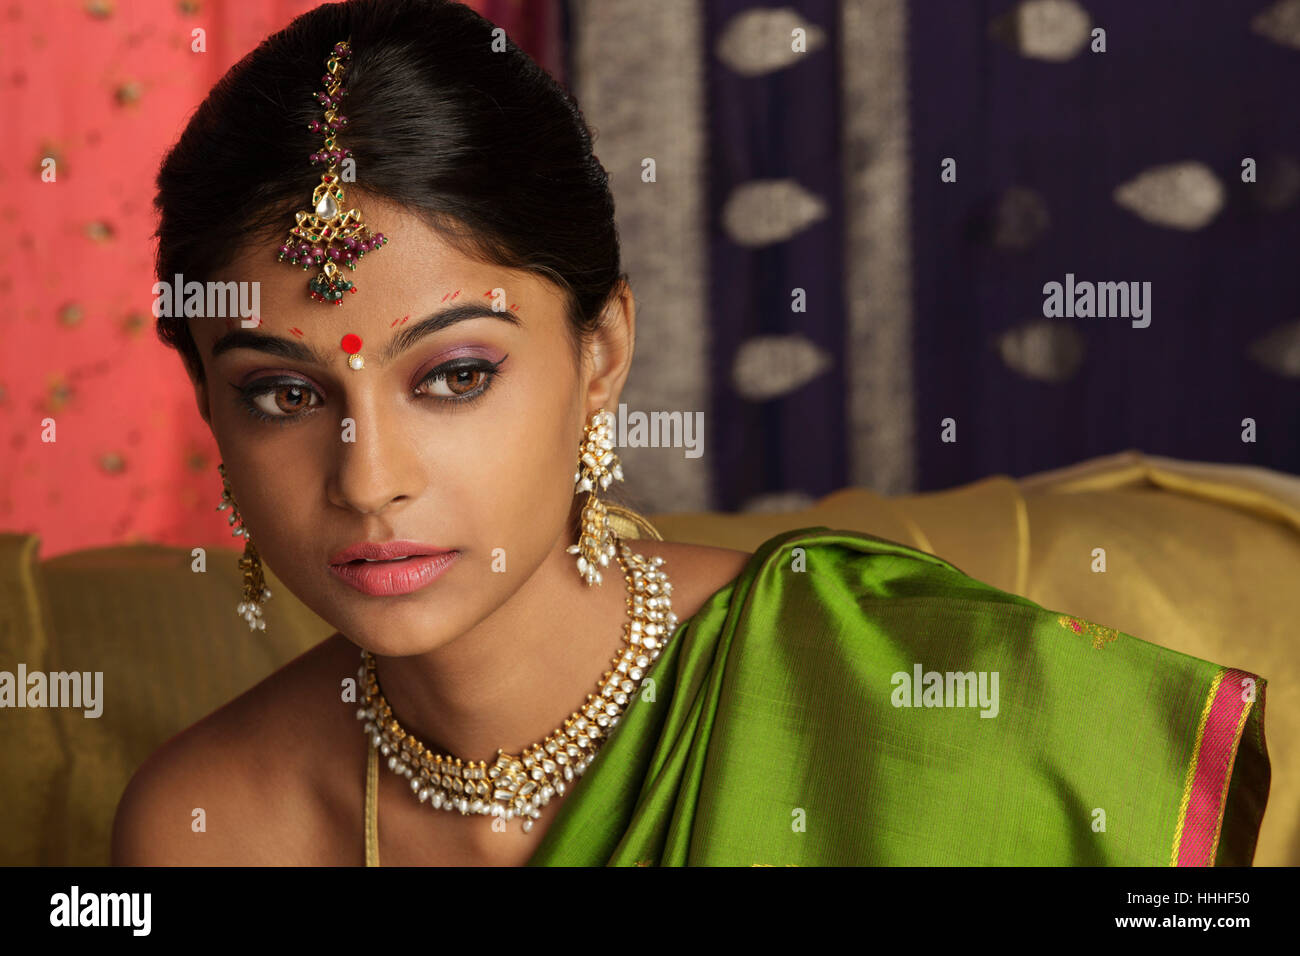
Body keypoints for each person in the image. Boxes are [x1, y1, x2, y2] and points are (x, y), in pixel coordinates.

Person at [111, 0, 1269, 867]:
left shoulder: (914, 697)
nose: (368, 480)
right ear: (208, 401)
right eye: (283, 393)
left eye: (455, 375)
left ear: (601, 352)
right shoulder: (211, 827)